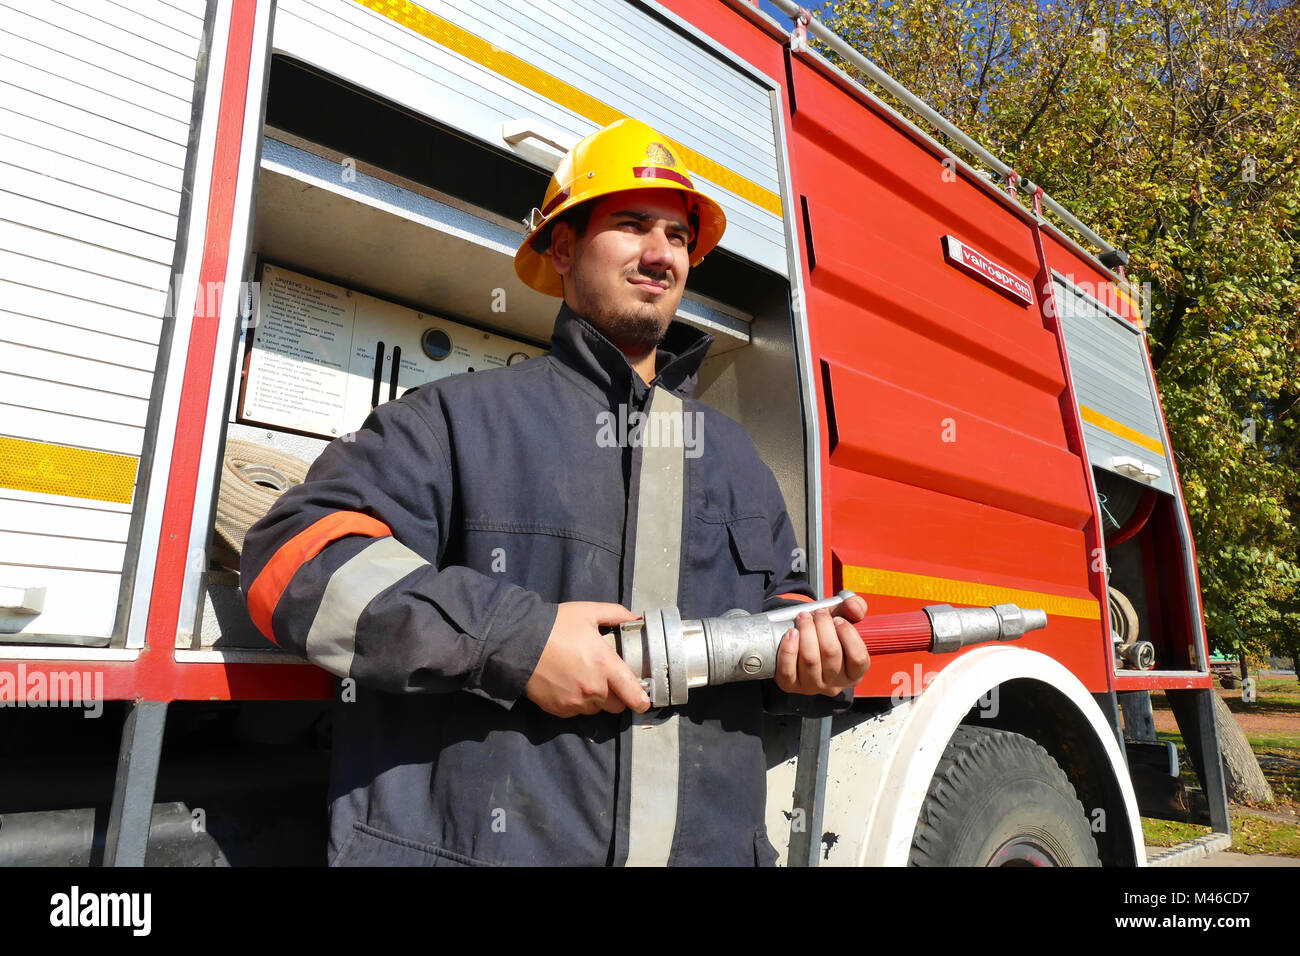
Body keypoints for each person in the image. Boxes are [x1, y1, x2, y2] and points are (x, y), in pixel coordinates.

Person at [240, 118, 869, 866]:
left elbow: (785, 601)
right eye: (633, 225)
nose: (661, 253)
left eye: (678, 236)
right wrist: (516, 641)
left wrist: (813, 654)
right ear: (563, 248)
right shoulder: (457, 420)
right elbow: (293, 565)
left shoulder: (732, 454)